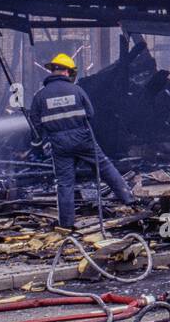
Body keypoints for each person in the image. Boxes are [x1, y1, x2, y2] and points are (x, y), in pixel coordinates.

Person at [30, 53, 136, 230]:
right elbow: (90, 113)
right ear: (67, 72)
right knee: (104, 167)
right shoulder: (77, 90)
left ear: (53, 71)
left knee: (64, 183)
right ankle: (129, 198)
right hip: (83, 139)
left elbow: (35, 126)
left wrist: (37, 146)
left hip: (59, 144)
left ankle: (66, 223)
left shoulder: (40, 96)